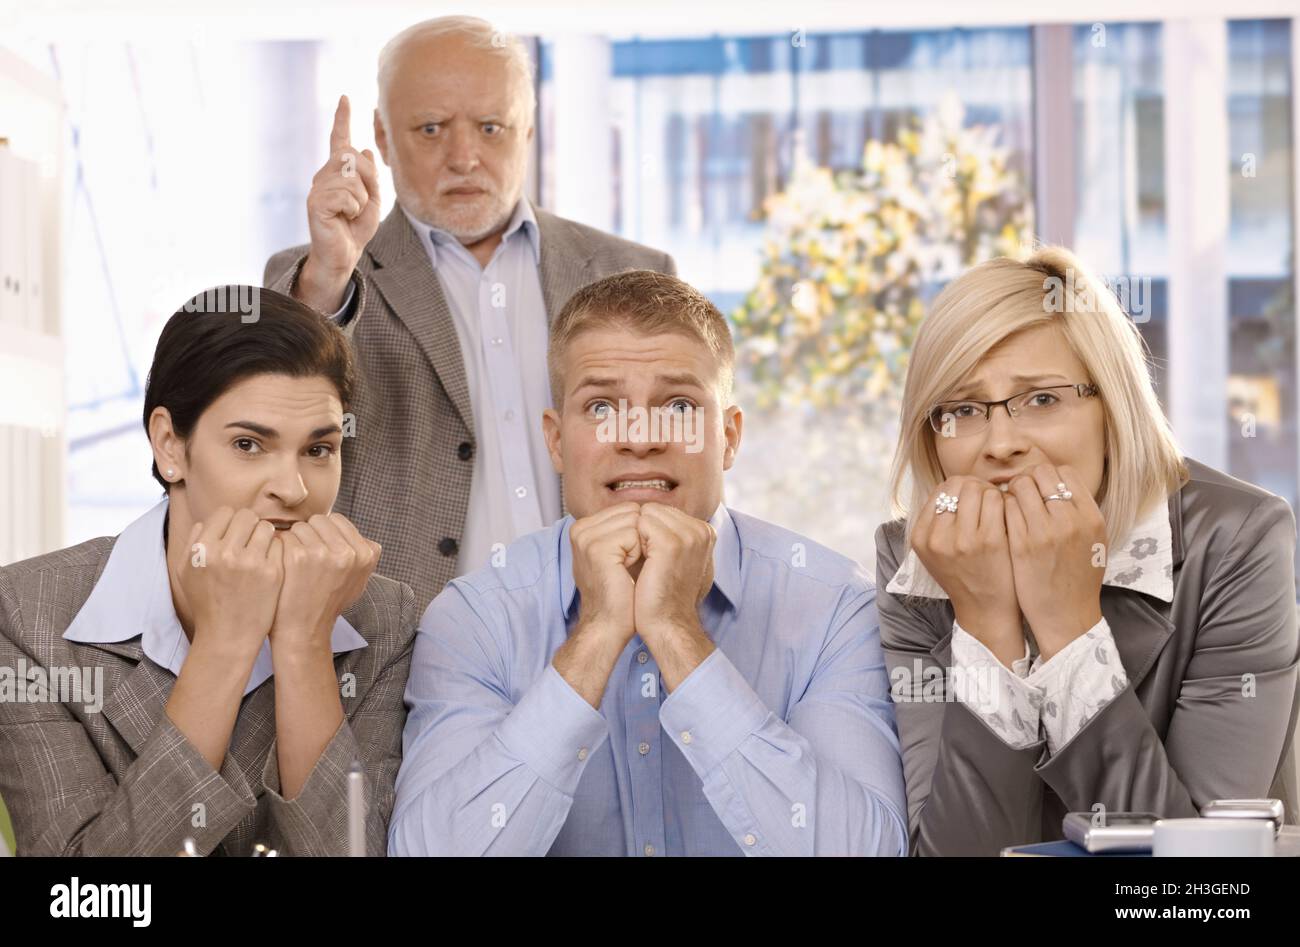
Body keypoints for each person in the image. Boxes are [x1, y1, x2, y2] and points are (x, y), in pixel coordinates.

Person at [388, 270, 907, 856]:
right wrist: (597, 634)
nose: (639, 437)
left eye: (679, 405)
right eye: (602, 406)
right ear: (556, 442)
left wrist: (676, 631)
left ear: (729, 437)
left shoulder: (835, 605)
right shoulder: (473, 617)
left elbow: (862, 850)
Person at [875, 246, 1300, 856]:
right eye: (963, 409)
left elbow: (1196, 881)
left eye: (1042, 399)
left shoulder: (1236, 540)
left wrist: (1068, 626)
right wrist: (986, 626)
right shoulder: (912, 566)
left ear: (1113, 406)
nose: (1002, 444)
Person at [264, 16, 675, 610]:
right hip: (400, 654)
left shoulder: (633, 272)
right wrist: (329, 277)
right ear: (382, 137)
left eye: (491, 127)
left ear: (528, 128)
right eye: (430, 129)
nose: (464, 157)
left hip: (604, 634)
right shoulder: (323, 274)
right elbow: (276, 419)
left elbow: (680, 460)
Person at [0, 288, 418, 855]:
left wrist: (303, 641)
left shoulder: (384, 616)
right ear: (170, 445)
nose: (293, 490)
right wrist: (225, 642)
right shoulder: (27, 615)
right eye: (249, 444)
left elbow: (350, 852)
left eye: (318, 450)